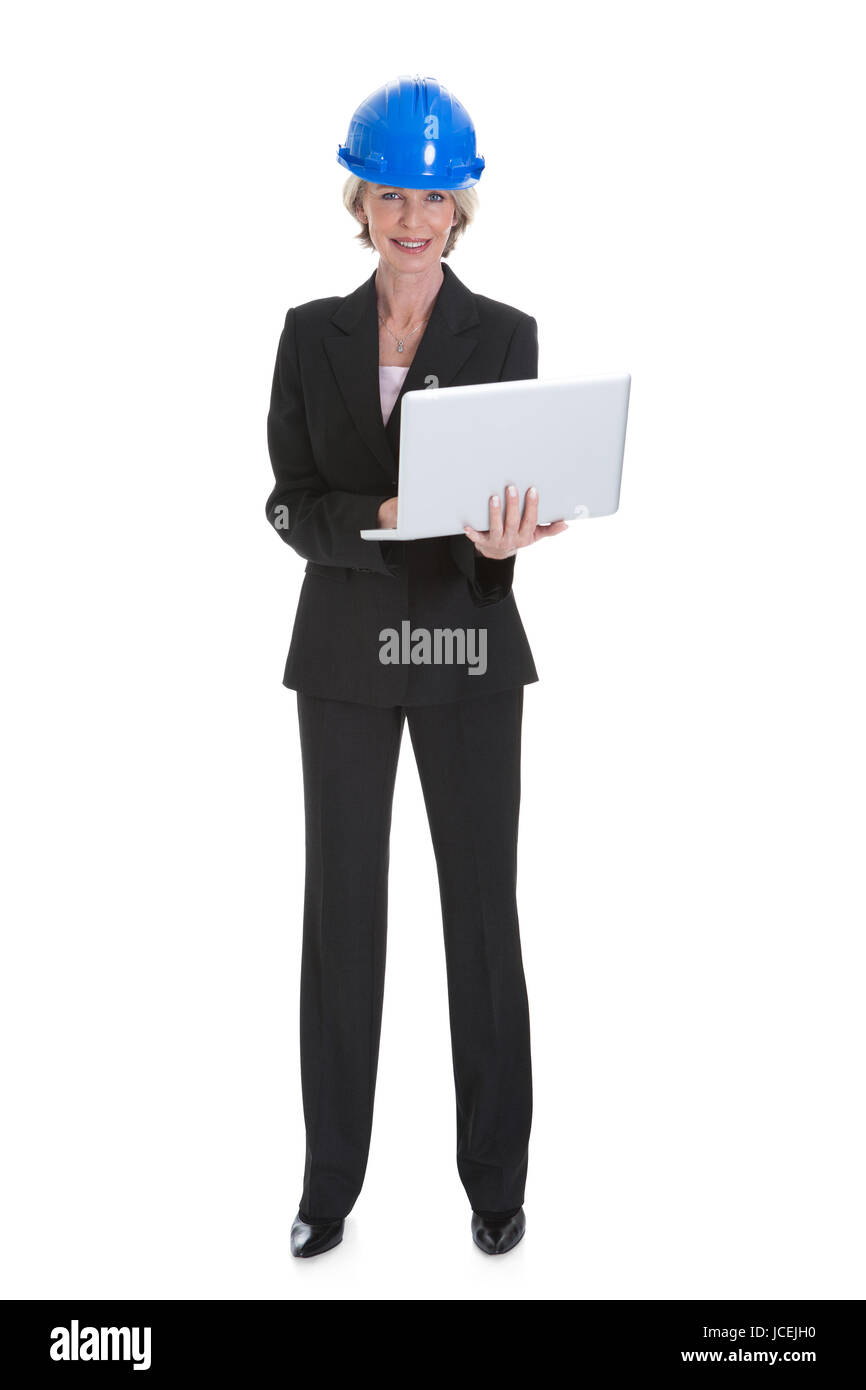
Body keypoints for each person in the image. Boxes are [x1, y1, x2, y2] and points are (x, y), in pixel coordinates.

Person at [266, 75, 566, 1258]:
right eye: (389, 191)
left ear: (459, 207)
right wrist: (377, 515)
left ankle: (496, 1182)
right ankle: (326, 1185)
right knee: (341, 918)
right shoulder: (308, 334)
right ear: (360, 198)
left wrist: (500, 545)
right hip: (343, 651)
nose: (409, 215)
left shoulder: (504, 335)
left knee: (479, 915)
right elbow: (289, 498)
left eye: (431, 195)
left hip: (464, 645)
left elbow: (508, 502)